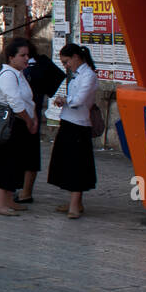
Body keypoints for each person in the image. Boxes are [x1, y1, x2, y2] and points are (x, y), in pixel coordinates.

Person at [0, 37, 39, 215]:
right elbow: (15, 103)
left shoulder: (19, 74)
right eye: (22, 55)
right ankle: (1, 203)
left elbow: (27, 99)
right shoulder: (8, 75)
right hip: (9, 124)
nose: (26, 58)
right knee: (5, 162)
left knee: (15, 163)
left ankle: (9, 199)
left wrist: (33, 117)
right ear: (11, 57)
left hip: (19, 124)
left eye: (27, 55)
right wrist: (29, 119)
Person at [49, 43, 99, 218]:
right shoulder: (78, 75)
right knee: (68, 164)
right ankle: (75, 202)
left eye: (67, 61)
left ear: (76, 57)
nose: (66, 66)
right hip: (69, 122)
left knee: (77, 165)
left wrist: (65, 99)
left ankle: (75, 206)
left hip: (79, 125)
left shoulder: (89, 76)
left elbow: (79, 100)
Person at [17, 43, 66, 204]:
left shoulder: (33, 69)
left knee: (29, 153)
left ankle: (25, 192)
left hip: (29, 115)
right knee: (26, 153)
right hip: (26, 115)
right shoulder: (32, 67)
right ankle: (23, 190)